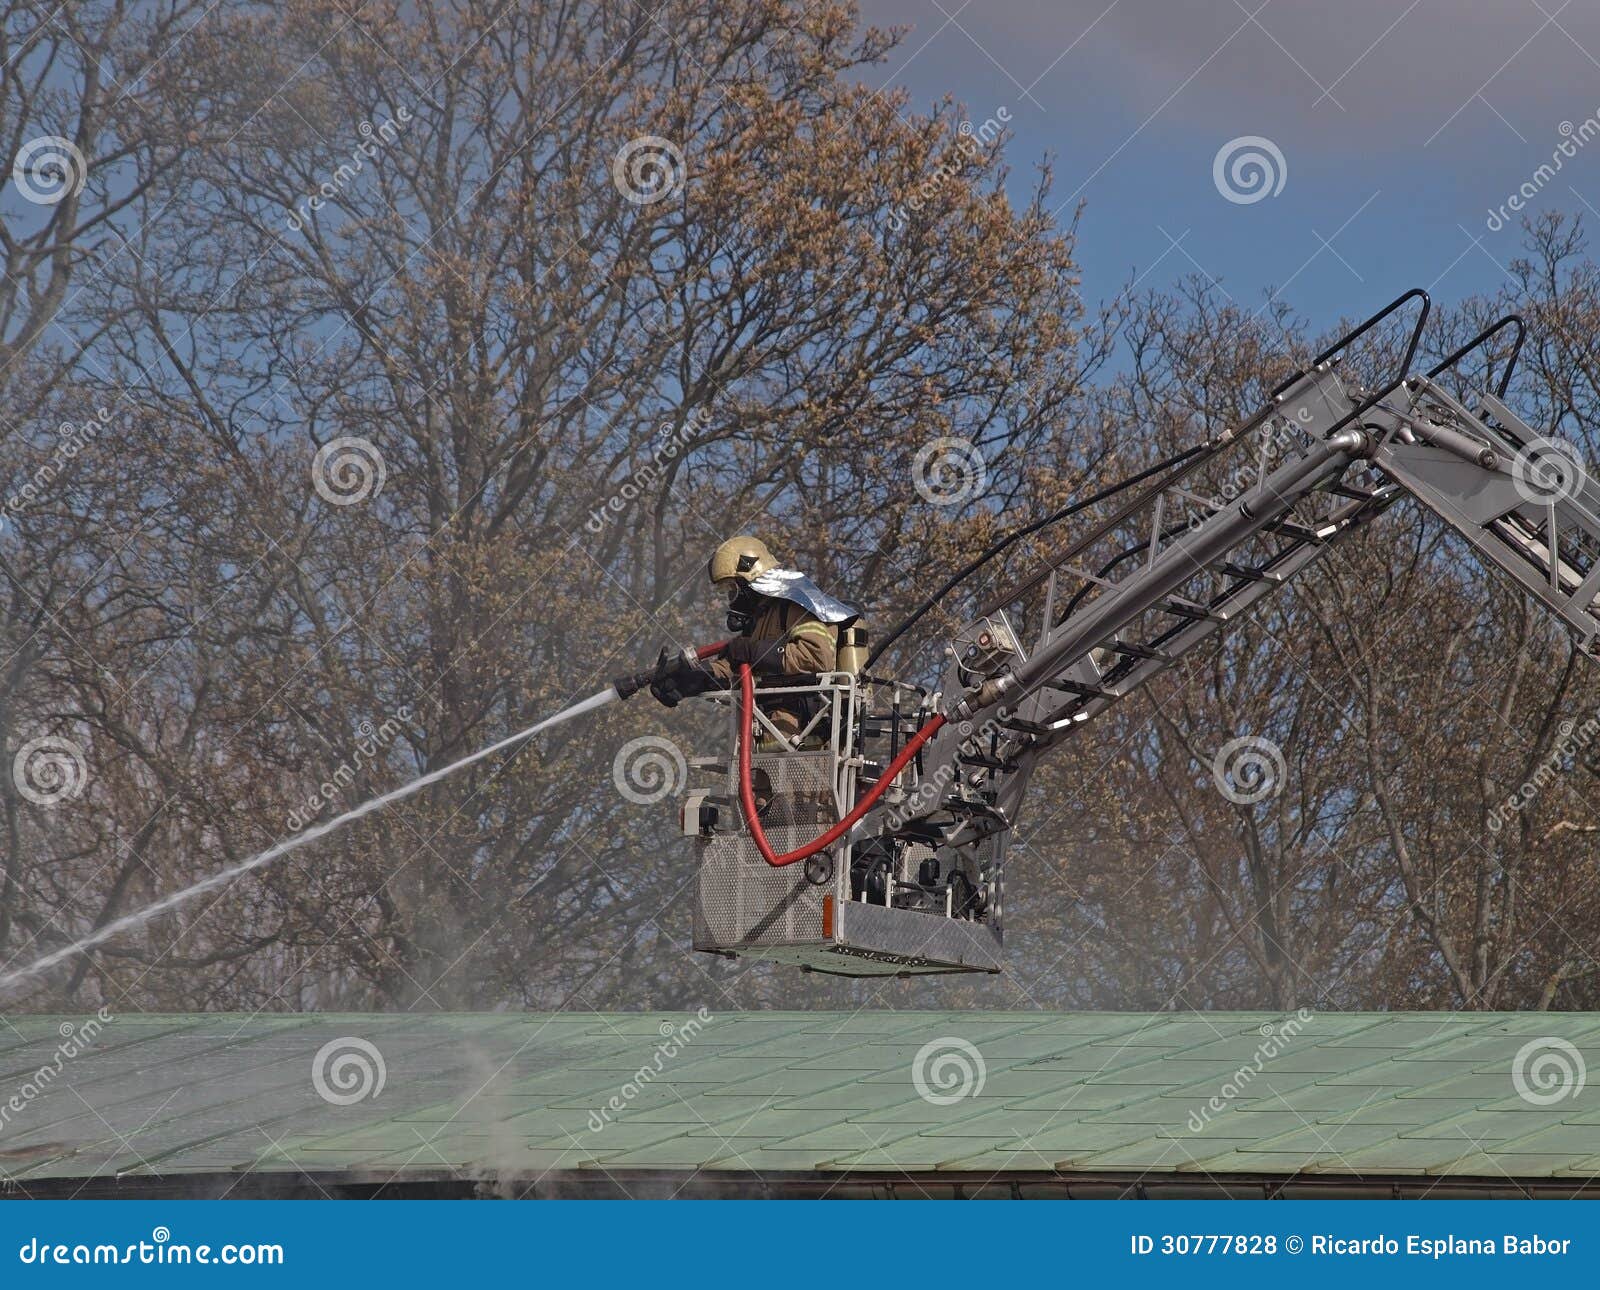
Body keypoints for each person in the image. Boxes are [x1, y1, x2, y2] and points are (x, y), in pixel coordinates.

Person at [650, 536, 861, 741]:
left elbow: (815, 656)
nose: (730, 598)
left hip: (801, 728)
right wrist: (692, 680)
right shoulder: (761, 619)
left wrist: (754, 651)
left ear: (750, 579)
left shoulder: (797, 605)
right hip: (766, 729)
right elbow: (733, 669)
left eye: (732, 589)